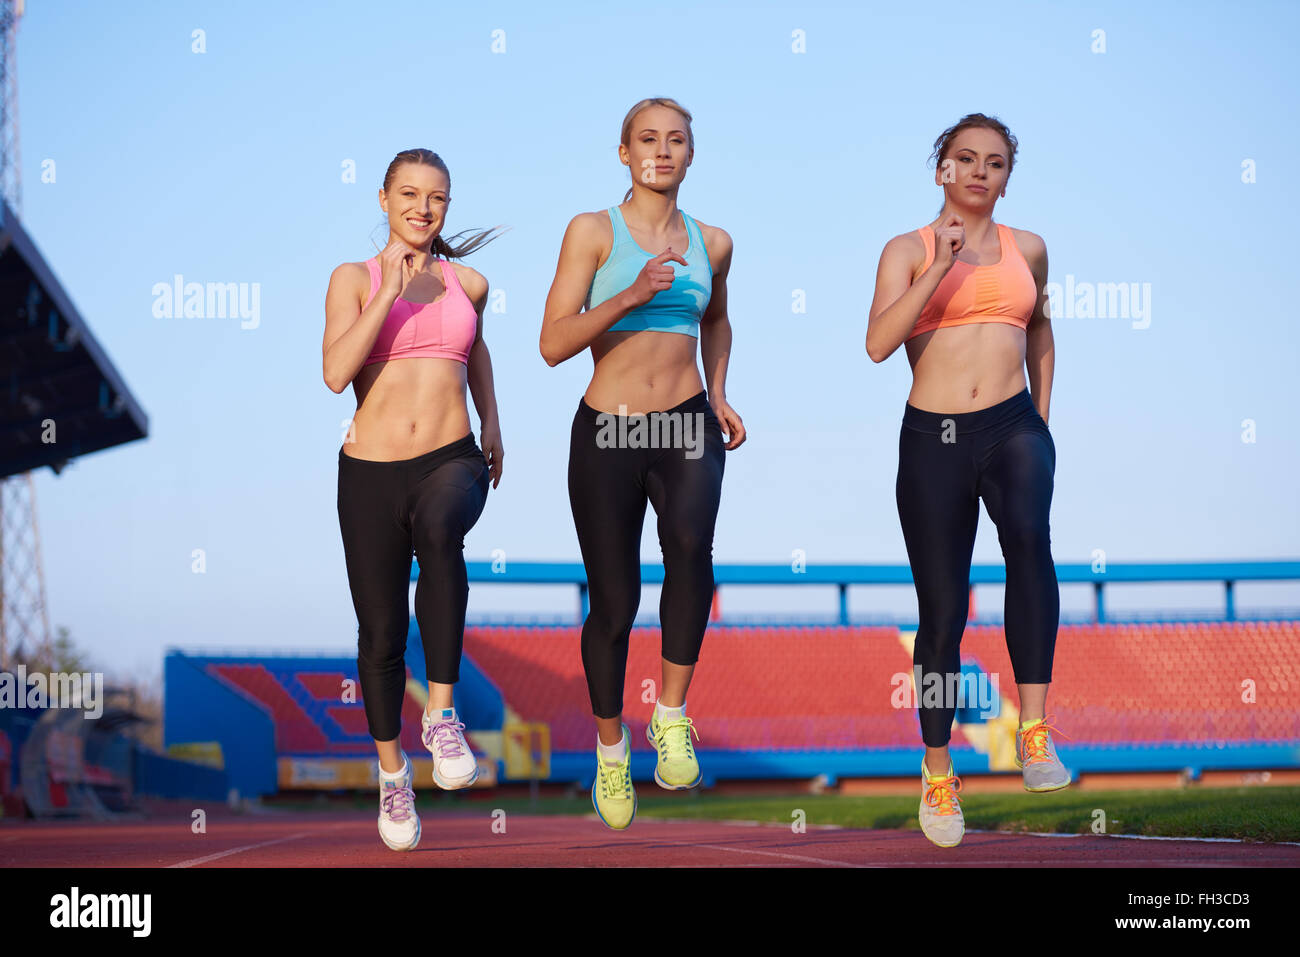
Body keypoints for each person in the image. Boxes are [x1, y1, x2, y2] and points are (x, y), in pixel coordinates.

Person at [539, 97, 746, 830]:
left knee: (691, 547)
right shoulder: (592, 231)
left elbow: (717, 318)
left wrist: (718, 394)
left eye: (676, 140)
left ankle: (672, 715)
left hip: (686, 420)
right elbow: (552, 343)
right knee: (615, 599)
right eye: (647, 139)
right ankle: (609, 747)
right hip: (608, 430)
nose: (662, 150)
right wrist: (631, 293)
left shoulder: (713, 242)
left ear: (691, 153)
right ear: (624, 153)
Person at [866, 114, 1070, 849]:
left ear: (1007, 178)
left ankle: (1035, 731)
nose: (980, 170)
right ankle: (938, 767)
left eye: (995, 162)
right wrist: (939, 267)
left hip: (1012, 427)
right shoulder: (907, 250)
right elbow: (878, 344)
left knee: (1030, 542)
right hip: (935, 438)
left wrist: (1040, 420)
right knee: (943, 611)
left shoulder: (1030, 249)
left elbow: (1040, 330)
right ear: (942, 170)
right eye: (965, 158)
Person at [323, 148, 505, 850]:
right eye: (408, 194)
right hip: (369, 471)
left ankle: (442, 715)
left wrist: (492, 423)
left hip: (451, 458)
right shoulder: (352, 278)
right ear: (383, 199)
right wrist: (389, 291)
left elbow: (476, 350)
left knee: (440, 531)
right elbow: (336, 372)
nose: (423, 208)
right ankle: (394, 776)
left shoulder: (469, 282)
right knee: (380, 634)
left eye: (436, 197)